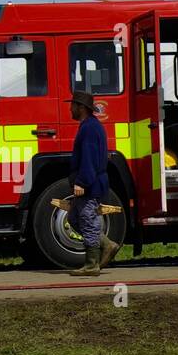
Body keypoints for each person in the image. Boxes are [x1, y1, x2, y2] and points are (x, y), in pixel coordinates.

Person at [66, 91, 117, 276]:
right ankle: (106, 244)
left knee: (88, 221)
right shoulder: (89, 126)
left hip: (89, 184)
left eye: (72, 105)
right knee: (74, 218)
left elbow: (89, 159)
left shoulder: (89, 128)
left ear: (81, 108)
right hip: (90, 182)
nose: (69, 108)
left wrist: (82, 182)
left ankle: (91, 264)